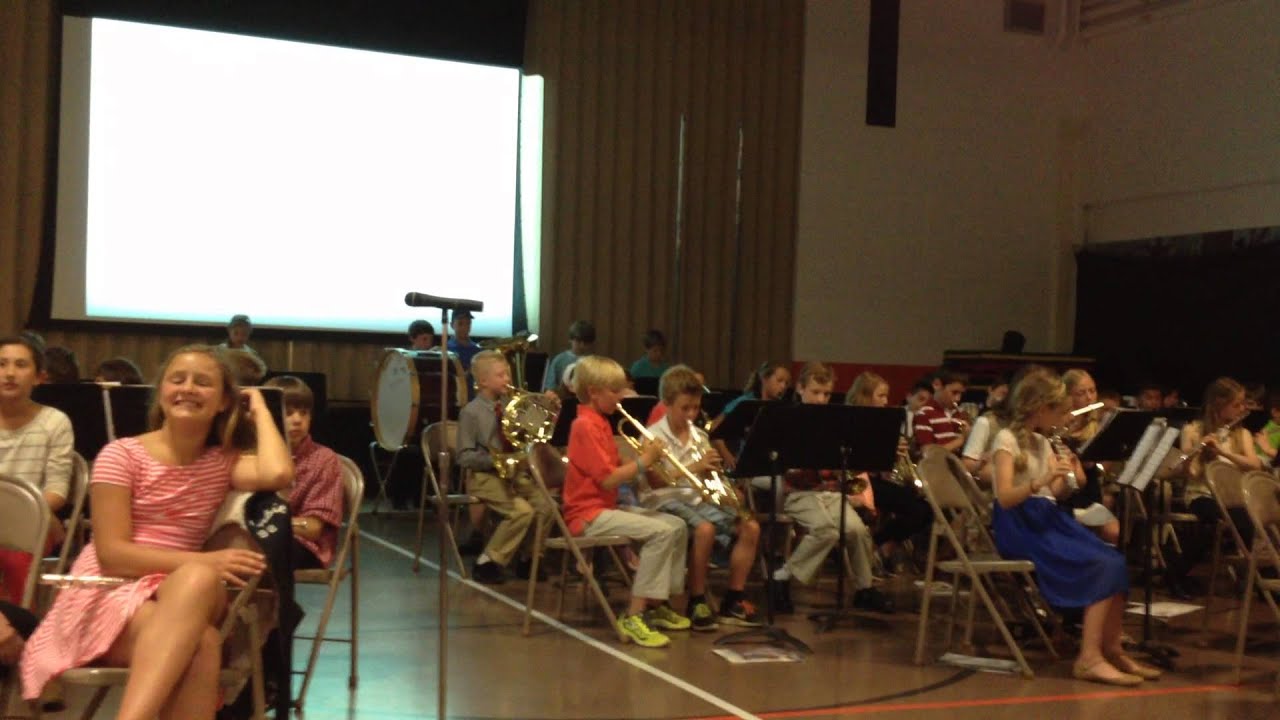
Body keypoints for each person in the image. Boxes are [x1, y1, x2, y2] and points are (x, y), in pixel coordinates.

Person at [20, 344, 293, 719]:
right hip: (111, 589)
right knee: (204, 643)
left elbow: (280, 473)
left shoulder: (221, 462)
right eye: (177, 379)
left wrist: (260, 410)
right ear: (161, 392)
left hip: (181, 591)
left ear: (224, 401)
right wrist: (205, 561)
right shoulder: (122, 455)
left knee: (195, 582)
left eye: (203, 383)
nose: (188, 388)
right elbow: (113, 555)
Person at [989, 368, 1157, 686]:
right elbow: (1006, 497)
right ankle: (1088, 658)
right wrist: (1041, 481)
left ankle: (1111, 648)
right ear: (1040, 408)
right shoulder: (1006, 439)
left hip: (1046, 517)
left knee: (1116, 561)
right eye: (1060, 411)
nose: (1065, 418)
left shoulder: (1044, 441)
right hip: (1021, 525)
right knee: (1099, 563)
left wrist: (1068, 479)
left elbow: (1054, 495)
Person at [561, 355, 690, 647]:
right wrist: (645, 461)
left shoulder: (601, 423)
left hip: (605, 508)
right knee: (662, 531)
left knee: (677, 525)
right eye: (614, 390)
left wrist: (642, 459)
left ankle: (657, 605)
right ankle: (634, 615)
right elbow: (607, 480)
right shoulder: (584, 425)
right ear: (594, 392)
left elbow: (618, 471)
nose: (621, 396)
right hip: (587, 514)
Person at [642, 365, 761, 630]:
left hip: (696, 498)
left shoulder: (698, 435)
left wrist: (721, 485)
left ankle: (733, 598)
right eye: (685, 408)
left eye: (695, 408)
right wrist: (695, 468)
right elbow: (653, 480)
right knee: (705, 530)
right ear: (666, 404)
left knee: (750, 526)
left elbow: (707, 479)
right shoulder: (653, 435)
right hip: (664, 499)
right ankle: (696, 600)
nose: (691, 414)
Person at [769, 362, 891, 614]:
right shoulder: (788, 420)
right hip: (800, 494)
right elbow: (789, 471)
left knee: (857, 532)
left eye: (825, 394)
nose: (821, 399)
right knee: (827, 531)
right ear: (800, 388)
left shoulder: (833, 421)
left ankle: (864, 589)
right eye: (815, 392)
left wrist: (845, 469)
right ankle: (781, 578)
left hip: (831, 493)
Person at [455, 351, 555, 584]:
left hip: (514, 475)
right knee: (521, 512)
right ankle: (487, 561)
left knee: (546, 506)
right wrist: (495, 461)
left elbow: (535, 433)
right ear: (483, 382)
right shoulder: (471, 412)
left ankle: (530, 559)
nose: (507, 379)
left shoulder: (512, 406)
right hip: (484, 477)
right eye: (501, 375)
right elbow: (463, 456)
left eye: (508, 374)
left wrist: (547, 407)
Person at [1164, 377, 1261, 599]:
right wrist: (1196, 452)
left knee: (1246, 522)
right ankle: (1177, 574)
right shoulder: (1192, 430)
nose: (1242, 409)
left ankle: (1251, 578)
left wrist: (1223, 452)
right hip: (1202, 494)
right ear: (1219, 404)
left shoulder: (1241, 434)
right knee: (1216, 522)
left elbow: (1255, 464)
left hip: (1235, 496)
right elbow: (1191, 474)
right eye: (1237, 404)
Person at [0, 334, 73, 604]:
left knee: (15, 558)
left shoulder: (54, 422)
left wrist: (18, 512)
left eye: (20, 365)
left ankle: (20, 630)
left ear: (39, 377)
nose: (9, 373)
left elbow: (57, 491)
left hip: (33, 520)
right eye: (2, 364)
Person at [846, 372, 933, 572]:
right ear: (865, 396)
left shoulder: (882, 421)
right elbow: (855, 459)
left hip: (873, 480)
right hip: (855, 482)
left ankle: (879, 543)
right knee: (916, 509)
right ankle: (877, 544)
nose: (886, 401)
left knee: (926, 509)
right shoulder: (852, 420)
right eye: (881, 396)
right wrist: (886, 452)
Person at [263, 376, 344, 570]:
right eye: (288, 413)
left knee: (261, 552)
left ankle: (277, 601)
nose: (297, 420)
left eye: (304, 412)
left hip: (303, 545)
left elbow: (313, 528)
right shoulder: (252, 454)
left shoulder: (324, 459)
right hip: (260, 536)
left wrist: (264, 526)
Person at [1061, 369, 1121, 544]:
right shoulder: (1059, 423)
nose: (1089, 398)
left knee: (1114, 532)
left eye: (1092, 391)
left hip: (1089, 494)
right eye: (1081, 393)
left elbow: (1104, 467)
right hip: (1065, 493)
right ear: (1068, 396)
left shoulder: (1100, 426)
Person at [713, 361, 792, 470]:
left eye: (786, 383)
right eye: (779, 381)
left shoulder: (779, 407)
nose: (783, 386)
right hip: (741, 463)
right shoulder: (745, 402)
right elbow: (714, 427)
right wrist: (727, 456)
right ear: (764, 379)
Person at [914, 370, 970, 453]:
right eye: (954, 392)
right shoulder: (924, 414)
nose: (958, 399)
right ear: (937, 385)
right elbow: (928, 453)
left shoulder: (958, 414)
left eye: (961, 394)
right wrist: (961, 440)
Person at [541, 320, 596, 393]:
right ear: (571, 339)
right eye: (578, 341)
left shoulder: (594, 362)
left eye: (586, 342)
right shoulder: (559, 359)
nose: (582, 345)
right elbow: (550, 388)